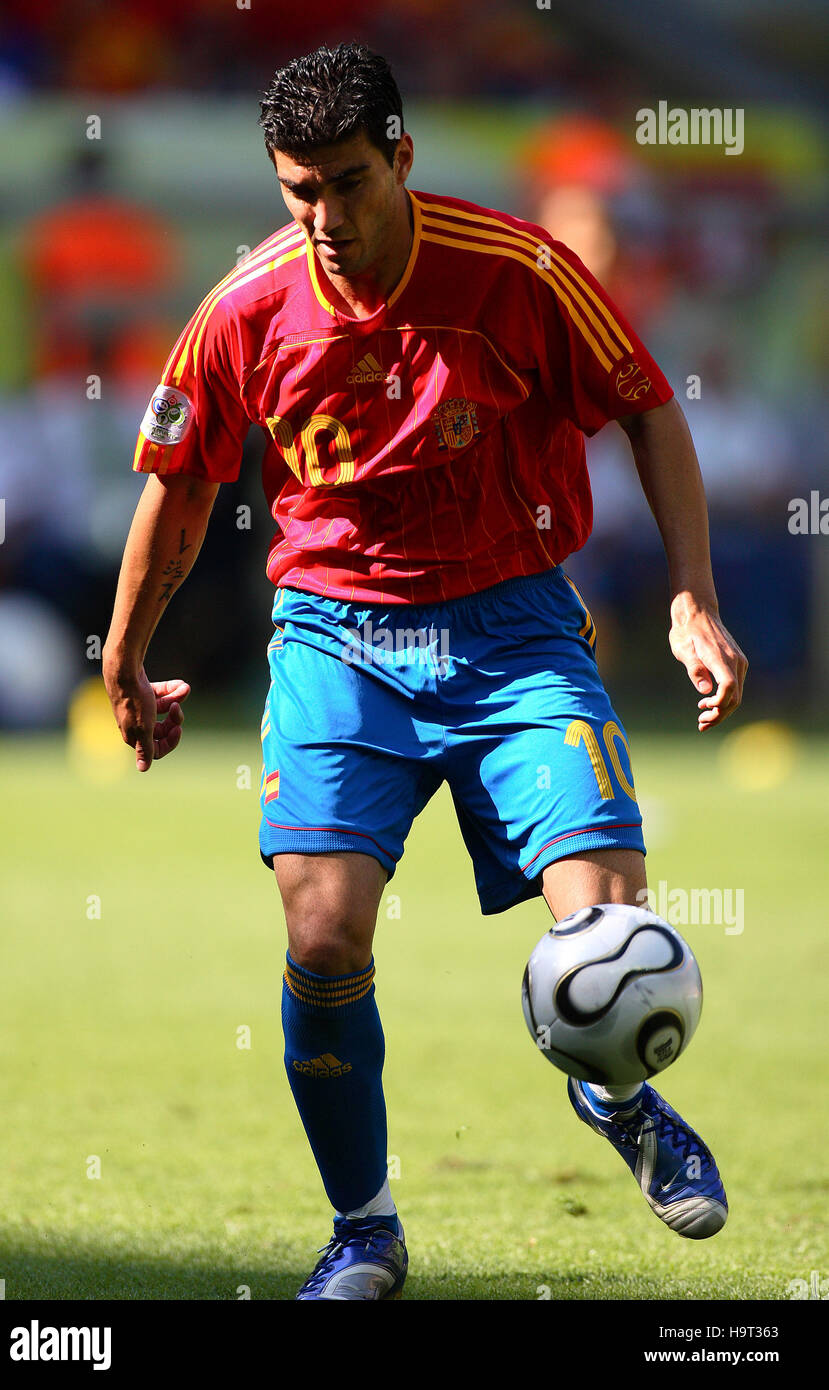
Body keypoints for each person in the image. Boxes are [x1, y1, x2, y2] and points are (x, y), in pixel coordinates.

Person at [103, 43, 748, 1301]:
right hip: (339, 635)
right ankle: (363, 1231)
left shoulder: (519, 270)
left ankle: (612, 1091)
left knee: (610, 922)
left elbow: (648, 408)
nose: (324, 219)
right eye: (298, 190)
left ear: (399, 155)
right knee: (322, 928)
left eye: (347, 182)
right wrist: (124, 654)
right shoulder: (244, 307)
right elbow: (178, 490)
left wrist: (688, 593)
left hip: (513, 628)